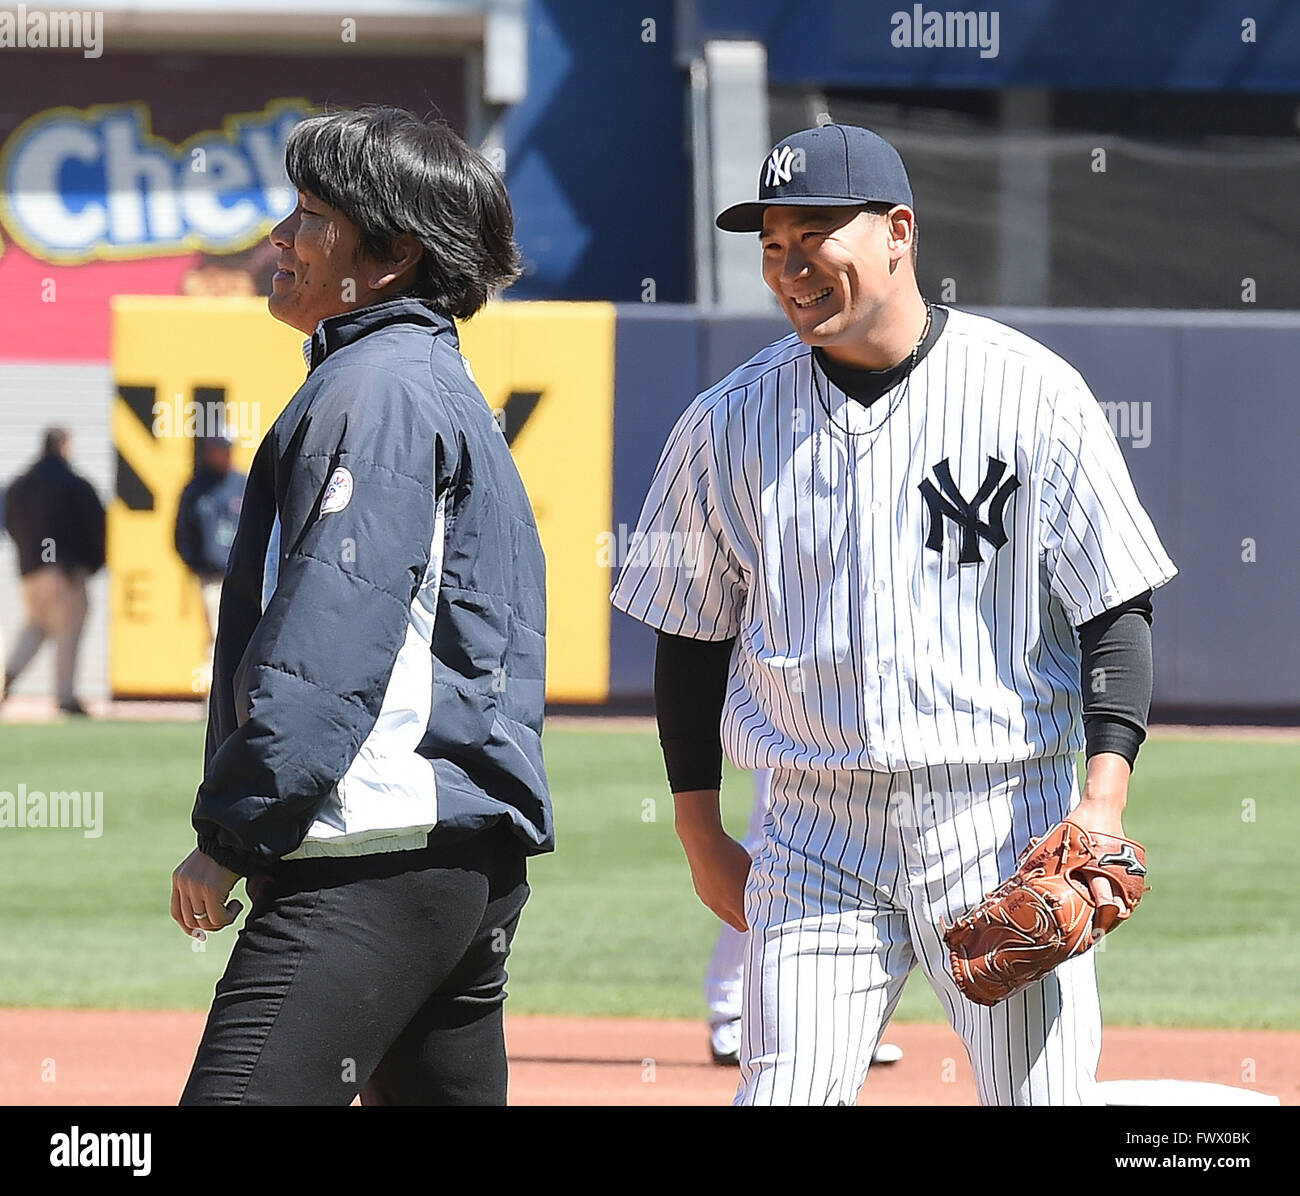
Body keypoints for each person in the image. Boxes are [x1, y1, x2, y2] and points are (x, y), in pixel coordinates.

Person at [613, 124, 1176, 1106]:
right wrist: (699, 828)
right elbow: (688, 634)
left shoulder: (1030, 393)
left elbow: (1114, 605)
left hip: (1002, 818)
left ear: (896, 232)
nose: (790, 264)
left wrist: (1103, 798)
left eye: (817, 231)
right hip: (812, 831)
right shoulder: (722, 423)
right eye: (773, 241)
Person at [170, 106, 551, 1106]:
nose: (278, 240)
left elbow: (330, 642)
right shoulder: (427, 379)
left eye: (308, 218)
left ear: (387, 255)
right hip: (453, 864)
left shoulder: (372, 388)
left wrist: (231, 833)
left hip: (368, 858)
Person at [704, 768, 902, 1069]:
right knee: (771, 838)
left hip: (846, 732)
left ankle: (847, 1022)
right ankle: (729, 1010)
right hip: (783, 728)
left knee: (854, 840)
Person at [2, 427, 106, 715]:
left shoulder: (20, 486)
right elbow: (94, 523)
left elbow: (10, 522)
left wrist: (33, 554)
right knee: (67, 632)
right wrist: (89, 561)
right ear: (64, 446)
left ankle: (5, 678)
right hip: (64, 571)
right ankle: (65, 696)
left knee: (36, 626)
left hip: (32, 571)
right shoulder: (72, 485)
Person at [174, 433, 246, 695]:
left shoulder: (242, 484)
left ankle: (228, 699)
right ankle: (214, 701)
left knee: (238, 637)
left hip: (243, 577)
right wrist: (196, 565)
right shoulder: (196, 489)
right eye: (220, 448)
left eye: (228, 448)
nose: (225, 453)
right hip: (212, 577)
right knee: (218, 635)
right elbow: (182, 534)